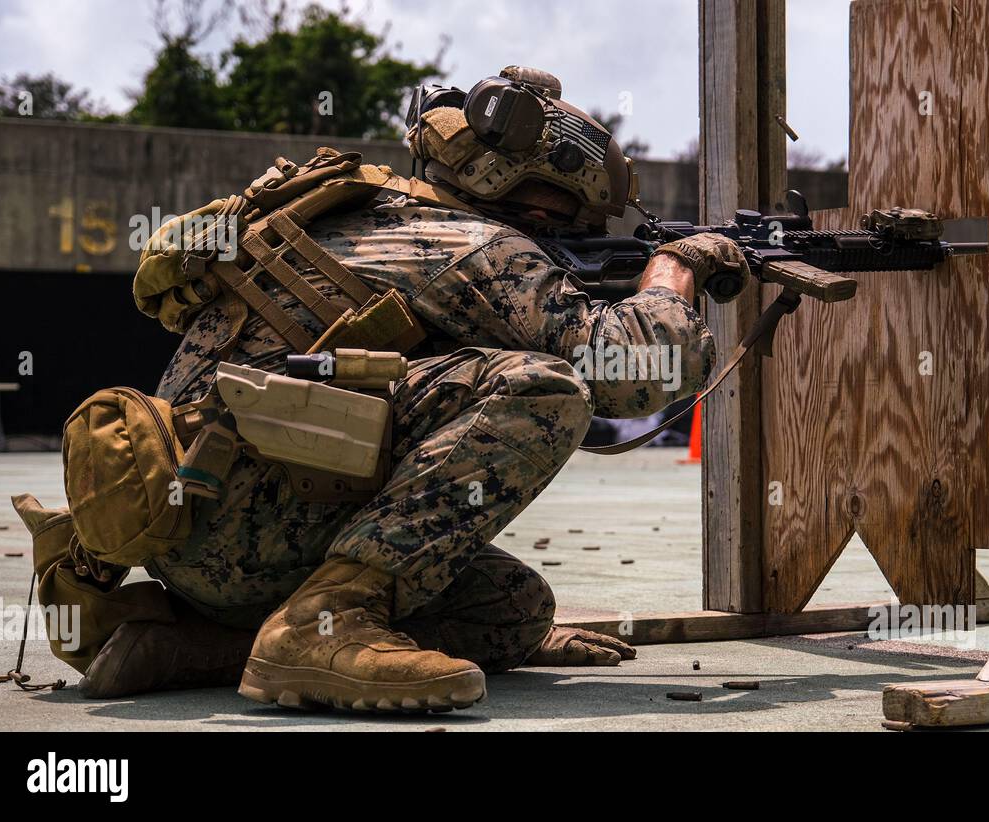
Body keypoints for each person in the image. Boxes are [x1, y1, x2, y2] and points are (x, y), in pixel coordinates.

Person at [72, 66, 750, 713]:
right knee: (544, 388)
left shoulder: (343, 213)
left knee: (512, 612)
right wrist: (672, 269)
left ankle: (186, 646)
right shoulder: (475, 246)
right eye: (566, 211)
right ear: (527, 187)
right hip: (258, 524)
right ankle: (323, 627)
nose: (575, 231)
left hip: (190, 533)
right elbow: (633, 367)